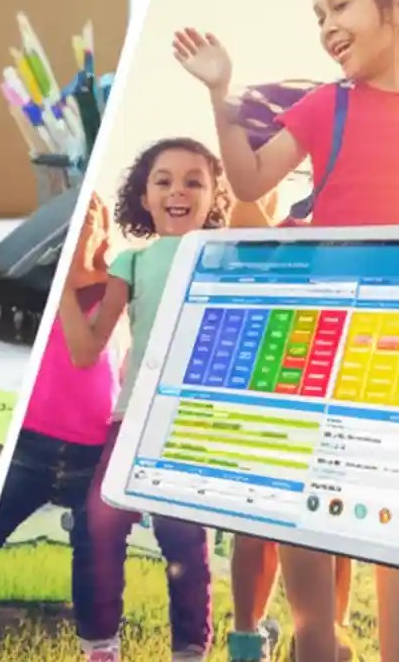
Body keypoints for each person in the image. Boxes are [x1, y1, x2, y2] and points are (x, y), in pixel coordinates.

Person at [172, 0, 399, 659]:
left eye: (340, 4)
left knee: (398, 556)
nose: (326, 25)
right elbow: (252, 181)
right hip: (314, 349)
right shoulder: (327, 106)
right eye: (318, 14)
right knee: (314, 606)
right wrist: (220, 96)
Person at [59, 136, 232, 662]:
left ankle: (189, 651)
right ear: (144, 194)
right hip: (132, 417)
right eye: (163, 181)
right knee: (100, 520)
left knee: (183, 535)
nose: (178, 191)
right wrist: (64, 285)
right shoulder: (132, 263)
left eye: (193, 182)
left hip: (192, 420)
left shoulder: (224, 253)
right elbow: (87, 350)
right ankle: (101, 647)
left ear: (213, 197)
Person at [0, 193, 121, 647]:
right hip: (30, 444)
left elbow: (87, 351)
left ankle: (99, 648)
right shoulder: (31, 288)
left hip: (90, 450)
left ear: (104, 230)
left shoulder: (116, 284)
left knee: (94, 556)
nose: (79, 228)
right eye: (70, 221)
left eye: (90, 217)